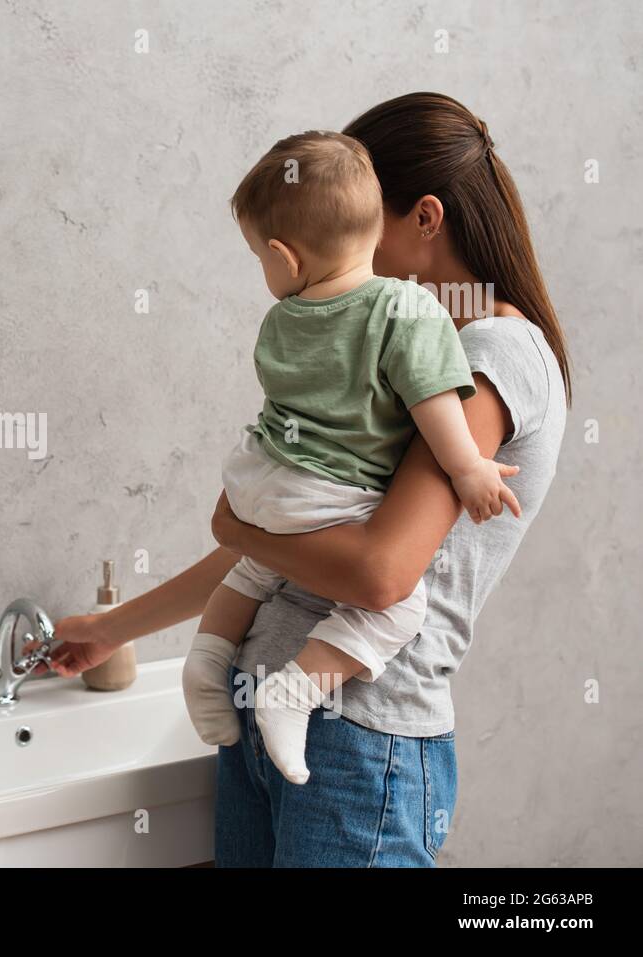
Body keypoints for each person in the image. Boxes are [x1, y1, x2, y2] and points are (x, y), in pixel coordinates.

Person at [47, 92, 570, 867]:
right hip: (270, 720)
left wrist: (237, 524)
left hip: (361, 733)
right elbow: (300, 540)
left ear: (424, 219)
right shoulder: (388, 346)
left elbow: (379, 572)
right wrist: (111, 629)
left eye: (356, 221)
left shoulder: (492, 352)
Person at [184, 129, 519, 787]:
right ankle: (299, 690)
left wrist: (237, 525)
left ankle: (204, 656)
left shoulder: (283, 320)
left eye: (259, 257)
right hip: (325, 492)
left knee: (258, 563)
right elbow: (432, 401)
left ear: (285, 255)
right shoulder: (407, 309)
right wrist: (468, 467)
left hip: (257, 476)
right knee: (402, 608)